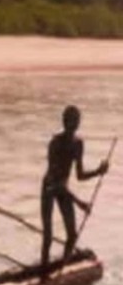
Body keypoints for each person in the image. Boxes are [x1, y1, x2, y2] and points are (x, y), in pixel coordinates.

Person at [40, 105, 109, 267]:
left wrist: (99, 171)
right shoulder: (55, 143)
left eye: (76, 121)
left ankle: (64, 266)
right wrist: (79, 203)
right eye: (70, 121)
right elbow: (54, 181)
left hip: (63, 188)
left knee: (72, 235)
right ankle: (43, 274)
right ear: (64, 122)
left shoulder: (78, 144)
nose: (73, 125)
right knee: (48, 236)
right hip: (49, 189)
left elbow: (79, 175)